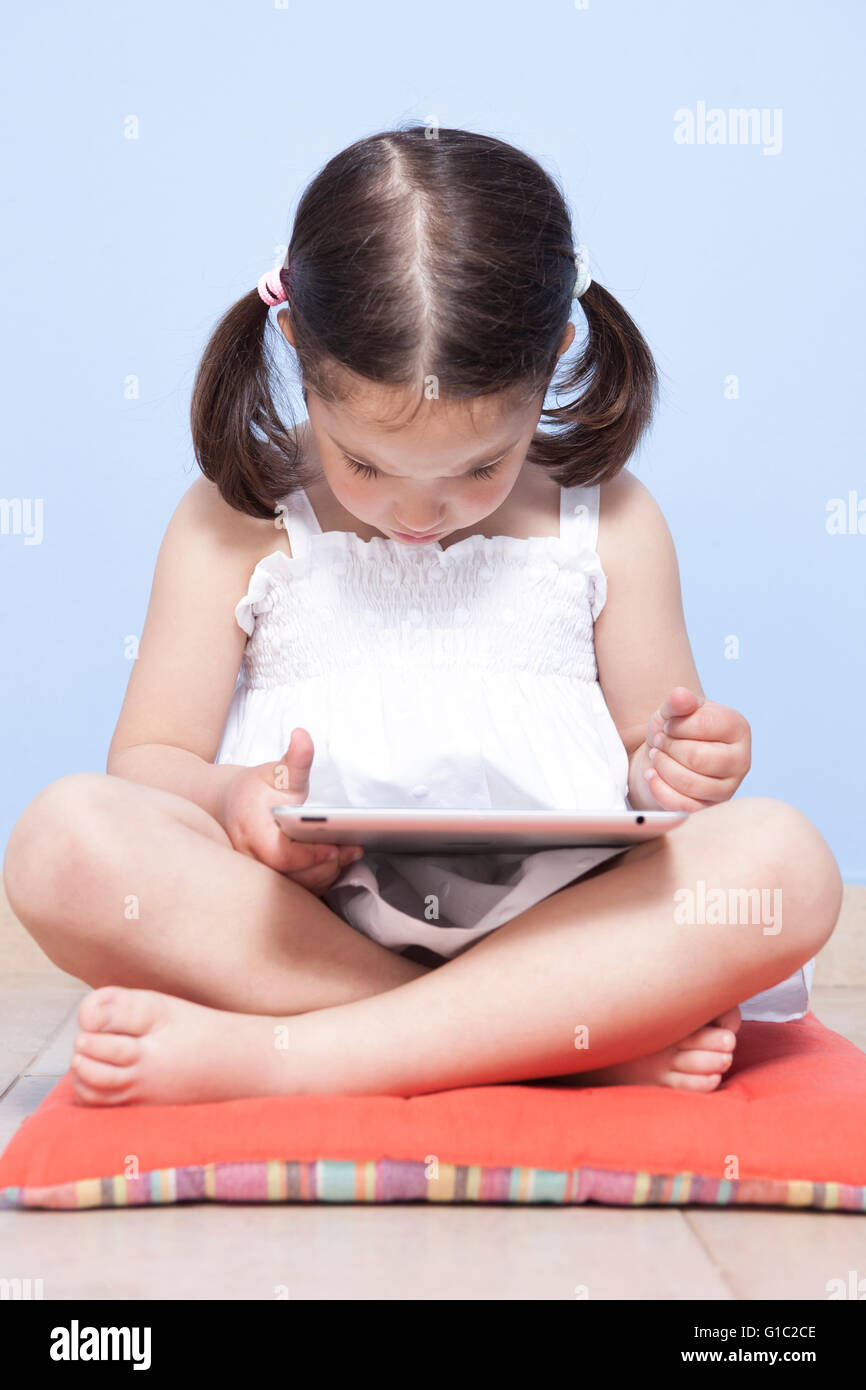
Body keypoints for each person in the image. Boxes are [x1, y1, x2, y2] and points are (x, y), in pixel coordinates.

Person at [3, 127, 842, 1105]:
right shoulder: (233, 519)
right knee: (63, 839)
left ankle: (307, 1057)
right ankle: (543, 1046)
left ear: (554, 358)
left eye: (477, 467)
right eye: (365, 464)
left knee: (784, 860)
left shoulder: (607, 519)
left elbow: (650, 762)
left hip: (566, 930)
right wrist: (235, 800)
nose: (412, 514)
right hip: (303, 926)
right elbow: (145, 765)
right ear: (294, 350)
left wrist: (679, 761)